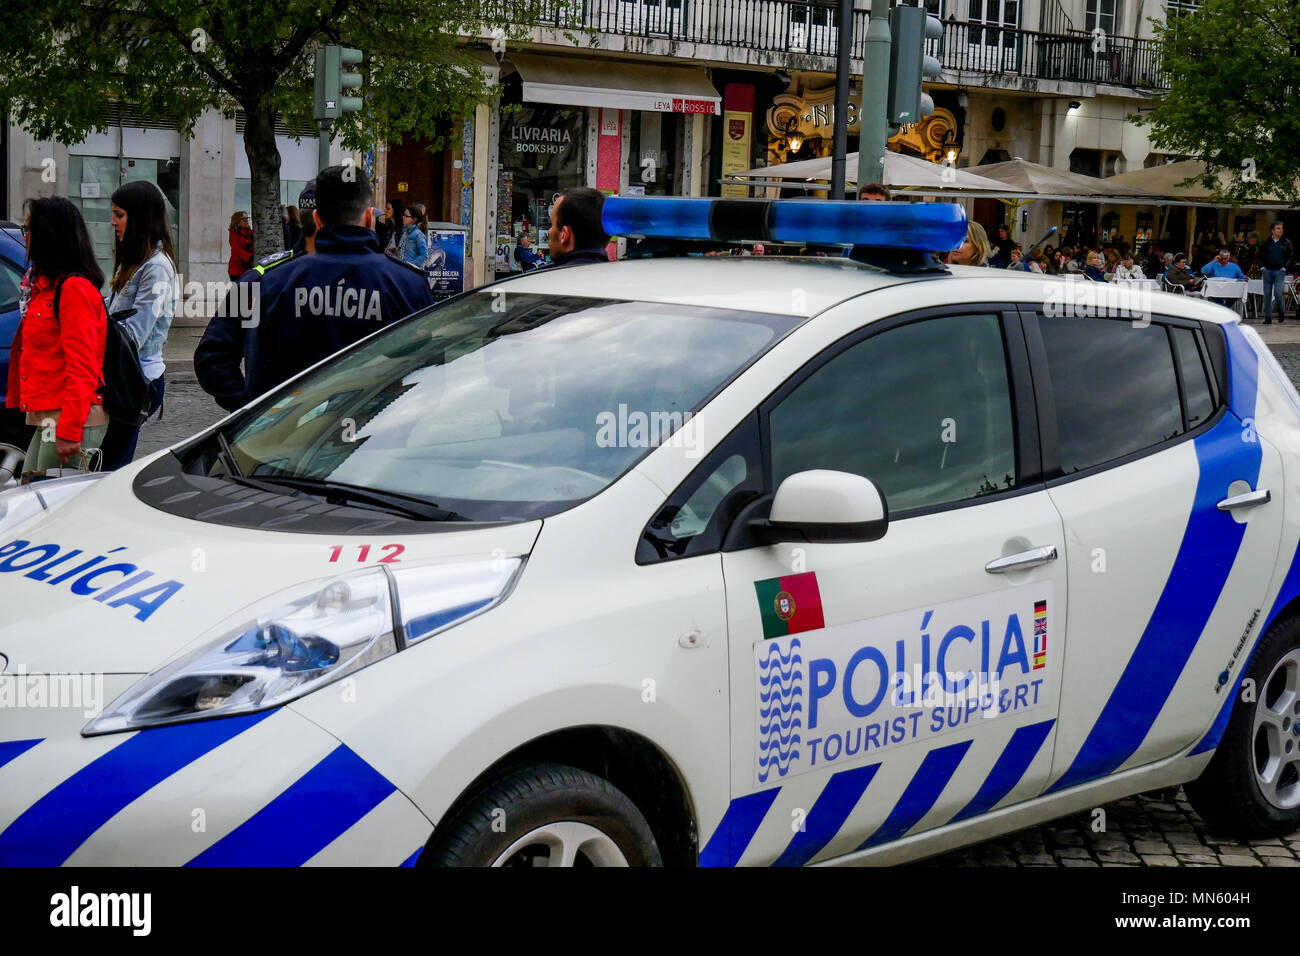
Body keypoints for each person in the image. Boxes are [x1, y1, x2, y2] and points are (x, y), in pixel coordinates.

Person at [195, 164, 436, 412]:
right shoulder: (409, 284)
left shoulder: (262, 281)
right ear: (368, 217)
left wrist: (253, 418)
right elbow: (431, 370)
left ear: (318, 219)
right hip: (374, 439)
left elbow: (212, 357)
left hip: (278, 442)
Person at [6, 198, 107, 479]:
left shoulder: (73, 289)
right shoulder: (43, 288)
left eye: (29, 230)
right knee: (33, 492)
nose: (25, 238)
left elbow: (83, 367)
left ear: (48, 235)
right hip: (51, 415)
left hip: (70, 418)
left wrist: (70, 428)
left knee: (50, 507)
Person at [99, 180, 178, 470]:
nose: (112, 222)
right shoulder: (133, 262)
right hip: (123, 378)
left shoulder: (156, 267)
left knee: (108, 471)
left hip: (137, 381)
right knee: (105, 465)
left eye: (119, 215)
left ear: (140, 217)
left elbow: (134, 335)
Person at [546, 187, 610, 267]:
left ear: (564, 235)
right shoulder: (616, 275)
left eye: (552, 225)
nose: (549, 231)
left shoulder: (542, 278)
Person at [1260, 220, 1293, 324]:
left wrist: (1285, 267)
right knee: (1267, 295)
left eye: (1282, 228)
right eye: (1278, 228)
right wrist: (1262, 266)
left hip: (1279, 271)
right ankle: (1268, 317)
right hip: (1268, 271)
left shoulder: (1286, 242)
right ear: (1273, 230)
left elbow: (1291, 256)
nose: (1281, 230)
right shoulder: (1266, 242)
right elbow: (1260, 255)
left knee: (1278, 293)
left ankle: (1281, 311)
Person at [400, 203, 429, 267]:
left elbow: (424, 255)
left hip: (412, 271)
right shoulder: (405, 233)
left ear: (414, 219)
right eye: (403, 215)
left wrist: (411, 265)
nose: (403, 217)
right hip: (403, 269)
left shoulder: (418, 234)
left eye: (406, 216)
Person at [228, 211, 253, 281]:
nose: (246, 221)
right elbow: (236, 250)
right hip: (236, 270)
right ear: (237, 222)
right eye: (243, 219)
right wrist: (250, 256)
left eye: (247, 218)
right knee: (239, 291)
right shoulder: (233, 233)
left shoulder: (250, 232)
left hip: (248, 268)